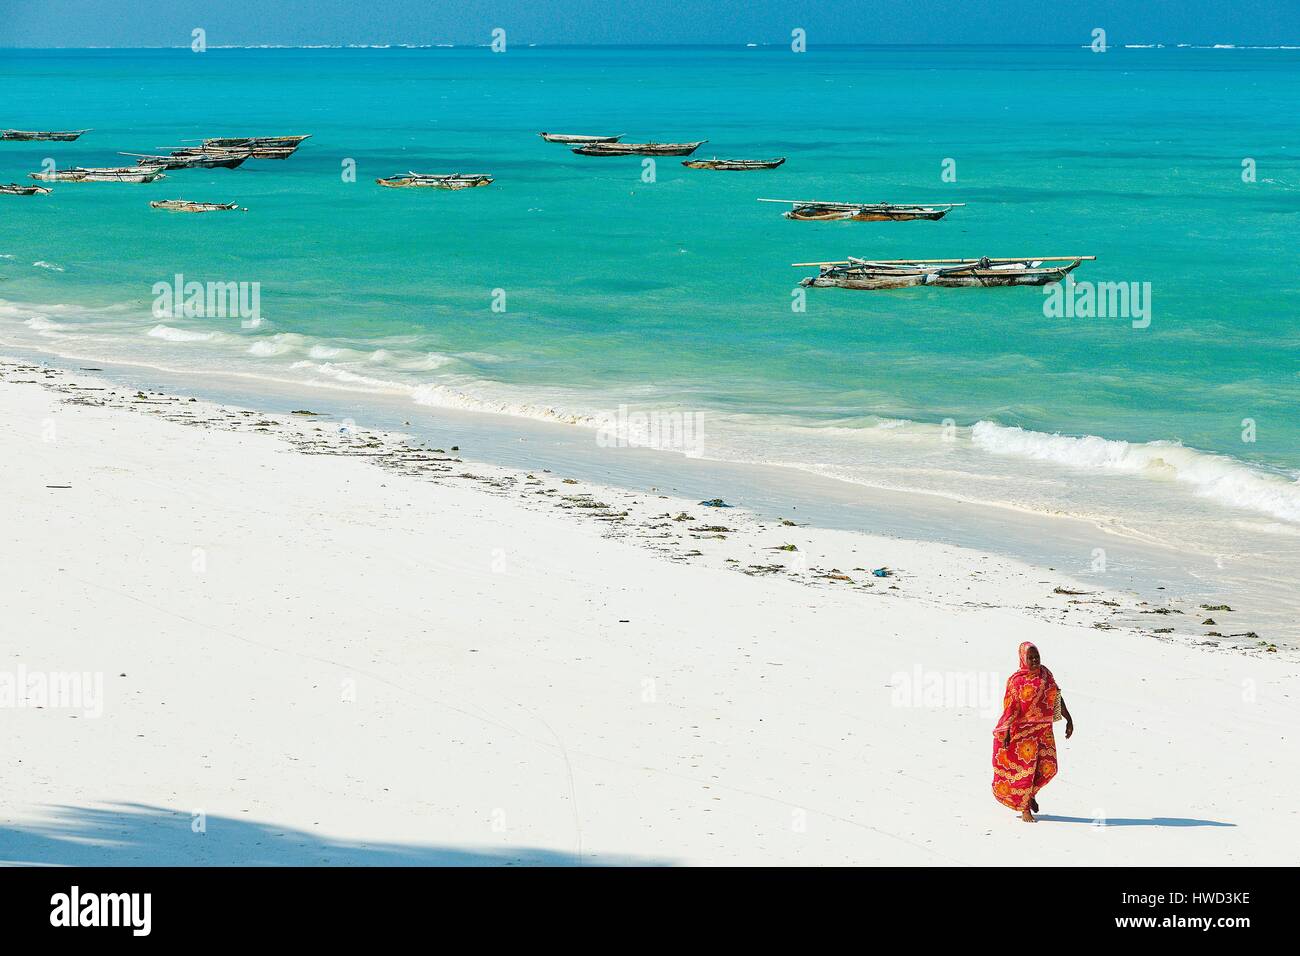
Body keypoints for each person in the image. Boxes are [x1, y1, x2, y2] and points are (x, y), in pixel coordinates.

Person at [991, 642, 1074, 822]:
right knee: (1026, 771)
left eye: (1036, 656)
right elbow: (1010, 708)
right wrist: (1006, 732)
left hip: (1044, 730)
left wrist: (1069, 719)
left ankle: (1030, 794)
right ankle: (1025, 807)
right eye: (1031, 657)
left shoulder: (1046, 674)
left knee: (1049, 768)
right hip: (1023, 733)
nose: (1035, 660)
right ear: (1023, 659)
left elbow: (1056, 696)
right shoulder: (1016, 681)